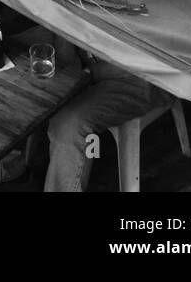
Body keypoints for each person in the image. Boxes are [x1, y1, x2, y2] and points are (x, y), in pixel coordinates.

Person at [45, 49, 172, 192]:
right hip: (90, 64)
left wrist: (87, 72)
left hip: (142, 76)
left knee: (69, 124)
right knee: (31, 67)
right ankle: (21, 170)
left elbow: (151, 60)